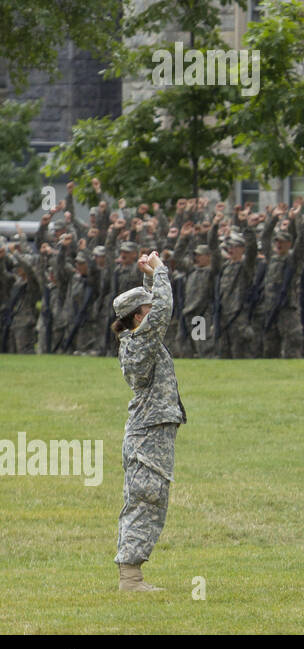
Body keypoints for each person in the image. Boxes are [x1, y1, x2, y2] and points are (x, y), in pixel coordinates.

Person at [111, 251, 186, 592]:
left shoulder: (138, 336)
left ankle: (131, 576)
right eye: (146, 310)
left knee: (144, 500)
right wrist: (160, 271)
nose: (152, 312)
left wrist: (147, 277)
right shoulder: (141, 341)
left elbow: (153, 313)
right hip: (148, 436)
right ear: (138, 317)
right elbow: (164, 310)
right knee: (146, 501)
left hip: (149, 433)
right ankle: (131, 579)